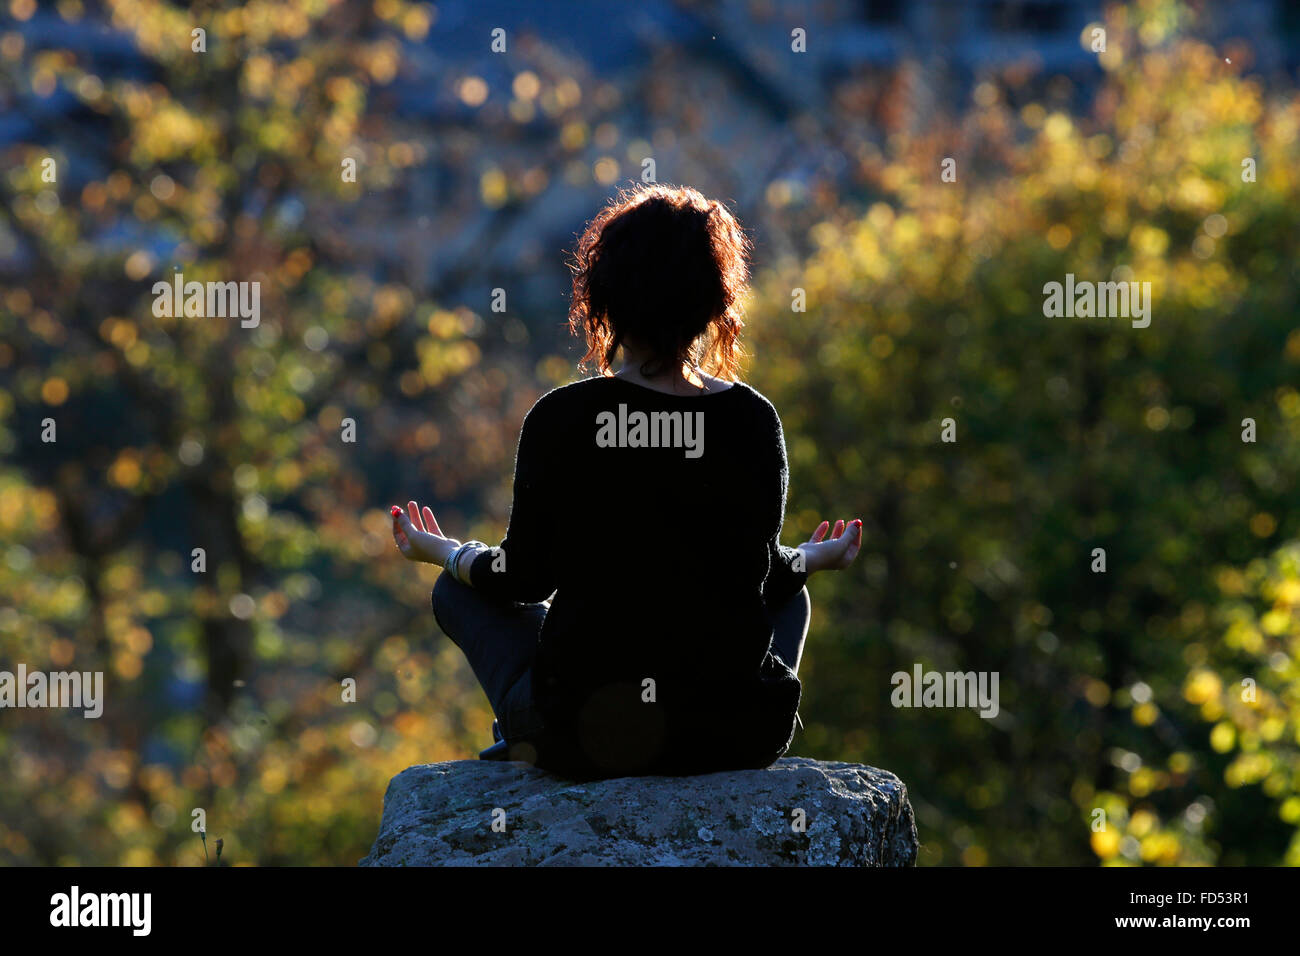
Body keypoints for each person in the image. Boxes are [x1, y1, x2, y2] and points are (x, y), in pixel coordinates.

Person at [391, 183, 862, 780]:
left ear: (603, 296)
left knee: (455, 593)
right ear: (714, 303)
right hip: (734, 735)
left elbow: (524, 579)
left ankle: (525, 733)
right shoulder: (750, 419)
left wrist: (450, 555)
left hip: (584, 740)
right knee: (792, 589)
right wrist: (811, 560)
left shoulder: (561, 419)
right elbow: (760, 574)